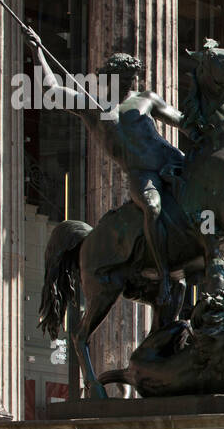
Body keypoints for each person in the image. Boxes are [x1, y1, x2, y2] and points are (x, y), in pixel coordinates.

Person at [24, 27, 188, 309]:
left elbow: (181, 120)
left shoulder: (146, 99)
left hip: (172, 162)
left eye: (130, 80)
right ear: (107, 78)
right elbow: (51, 91)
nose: (126, 85)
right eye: (121, 79)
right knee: (152, 208)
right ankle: (162, 275)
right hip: (143, 175)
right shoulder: (92, 105)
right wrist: (38, 50)